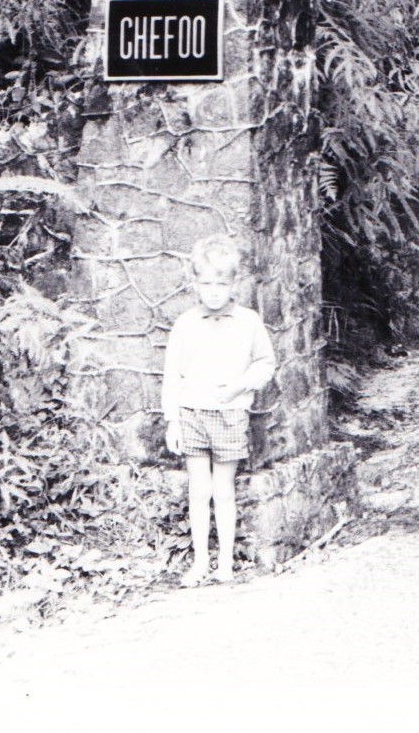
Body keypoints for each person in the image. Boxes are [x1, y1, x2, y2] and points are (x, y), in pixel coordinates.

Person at [161, 234, 275, 585]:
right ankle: (200, 563)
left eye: (221, 284)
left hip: (229, 415)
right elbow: (172, 374)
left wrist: (240, 386)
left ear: (233, 283)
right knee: (199, 490)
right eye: (207, 283)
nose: (213, 292)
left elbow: (265, 363)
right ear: (195, 282)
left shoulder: (248, 321)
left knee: (223, 490)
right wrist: (173, 421)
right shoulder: (185, 323)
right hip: (192, 414)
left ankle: (225, 562)